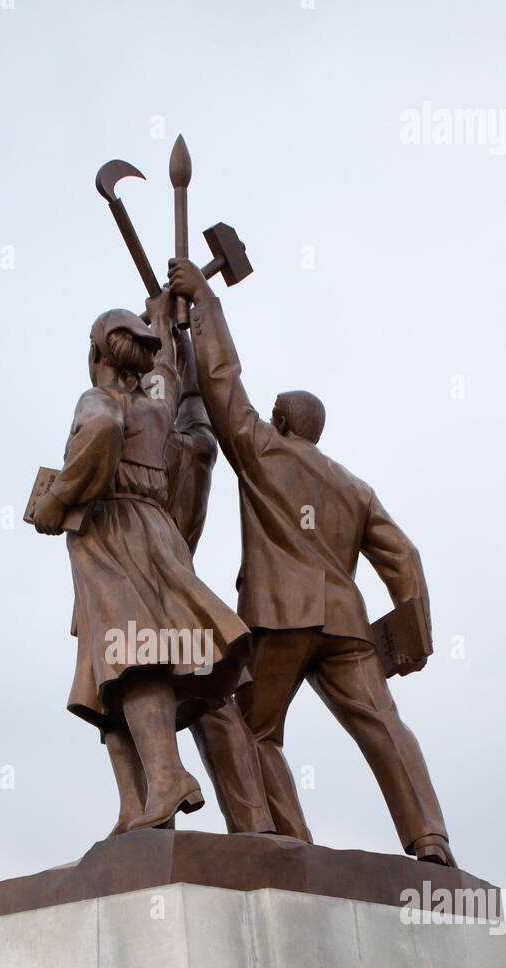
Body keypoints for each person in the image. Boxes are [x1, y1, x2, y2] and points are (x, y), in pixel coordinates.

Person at [166, 257, 456, 866]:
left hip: (283, 617)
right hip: (347, 625)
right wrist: (410, 638)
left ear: (280, 420)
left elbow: (221, 382)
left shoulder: (265, 451)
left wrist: (204, 310)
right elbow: (405, 556)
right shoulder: (354, 487)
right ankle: (430, 838)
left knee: (246, 726)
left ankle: (287, 842)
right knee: (384, 726)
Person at [31, 290, 252, 832]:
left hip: (112, 532)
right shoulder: (157, 404)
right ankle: (134, 805)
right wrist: (163, 324)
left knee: (132, 659)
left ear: (97, 353)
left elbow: (103, 431)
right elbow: (169, 377)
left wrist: (58, 500)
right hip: (153, 532)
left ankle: (169, 776)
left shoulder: (97, 399)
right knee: (107, 675)